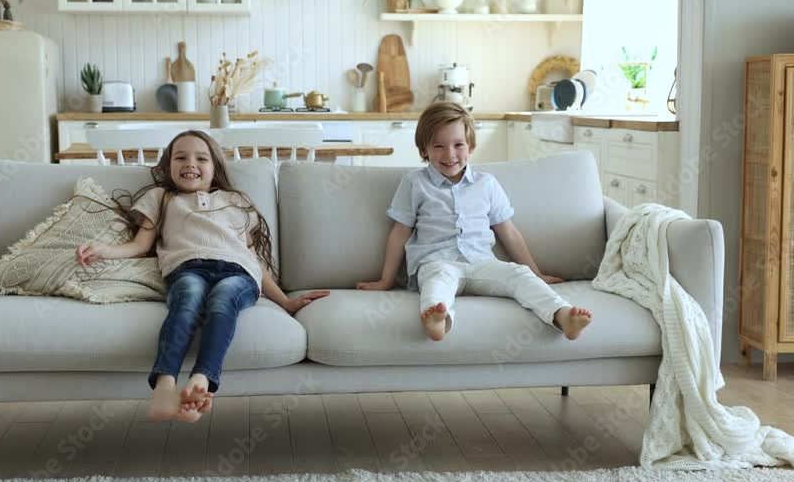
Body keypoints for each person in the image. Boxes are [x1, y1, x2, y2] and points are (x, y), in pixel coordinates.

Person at [76, 130, 329, 422]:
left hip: (237, 271)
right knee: (189, 297)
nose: (190, 163)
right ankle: (165, 387)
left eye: (201, 158)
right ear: (168, 166)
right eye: (180, 157)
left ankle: (201, 382)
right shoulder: (160, 198)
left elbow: (253, 259)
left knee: (223, 298)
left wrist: (285, 302)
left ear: (215, 167)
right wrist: (104, 250)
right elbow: (139, 246)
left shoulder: (235, 200)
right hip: (187, 268)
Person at [356, 103, 592, 341]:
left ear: (471, 147)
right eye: (439, 146)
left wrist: (537, 272)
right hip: (437, 262)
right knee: (438, 284)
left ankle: (562, 315)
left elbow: (508, 232)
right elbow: (400, 232)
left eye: (458, 145)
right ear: (424, 150)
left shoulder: (487, 183)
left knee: (519, 275)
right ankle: (438, 320)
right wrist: (385, 280)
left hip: (481, 264)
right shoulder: (414, 183)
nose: (449, 154)